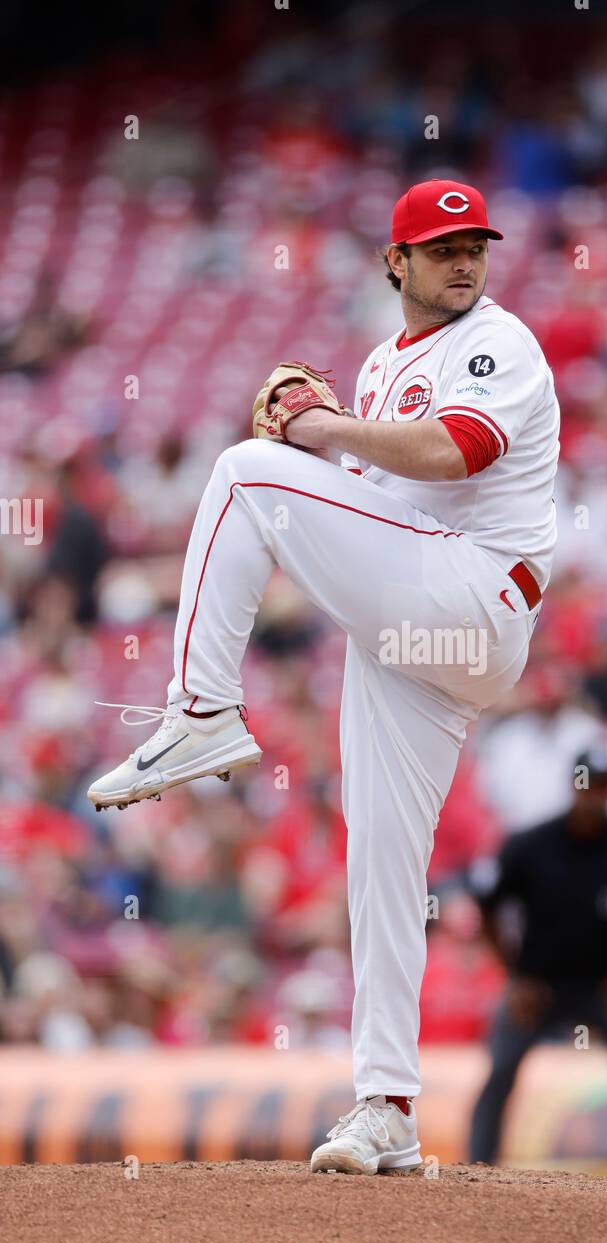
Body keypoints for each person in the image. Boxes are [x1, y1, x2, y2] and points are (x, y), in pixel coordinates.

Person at [87, 179, 560, 1175]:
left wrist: (312, 432)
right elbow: (354, 513)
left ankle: (205, 708)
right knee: (379, 860)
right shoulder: (387, 363)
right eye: (439, 249)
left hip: (474, 594)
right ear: (395, 262)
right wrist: (325, 439)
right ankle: (384, 1101)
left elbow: (453, 449)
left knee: (240, 470)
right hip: (412, 628)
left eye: (472, 244)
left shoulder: (498, 341)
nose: (461, 261)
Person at [468, 744, 607, 1182]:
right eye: (589, 785)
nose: (595, 796)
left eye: (605, 787)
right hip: (540, 987)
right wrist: (514, 977)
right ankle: (473, 1171)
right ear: (574, 786)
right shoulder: (531, 845)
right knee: (499, 1070)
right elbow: (487, 908)